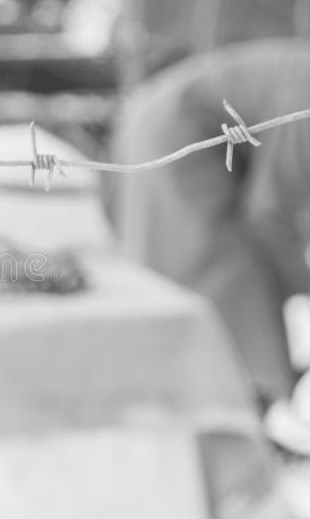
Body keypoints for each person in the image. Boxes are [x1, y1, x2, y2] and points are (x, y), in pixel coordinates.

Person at [108, 38, 310, 406]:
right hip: (173, 129)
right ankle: (245, 405)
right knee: (219, 275)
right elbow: (268, 216)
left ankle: (251, 400)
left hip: (176, 121)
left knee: (223, 278)